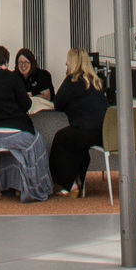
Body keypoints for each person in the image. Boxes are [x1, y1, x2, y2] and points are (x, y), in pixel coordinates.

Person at [0, 45, 50, 201]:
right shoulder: (13, 78)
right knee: (36, 141)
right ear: (7, 62)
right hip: (13, 133)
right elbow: (27, 105)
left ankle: (11, 185)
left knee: (12, 149)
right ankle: (36, 187)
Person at [48, 48, 110, 195]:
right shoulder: (96, 82)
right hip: (102, 132)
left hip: (84, 130)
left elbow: (58, 103)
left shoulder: (71, 80)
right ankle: (78, 181)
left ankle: (67, 184)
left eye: (67, 62)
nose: (65, 64)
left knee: (60, 139)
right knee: (78, 146)